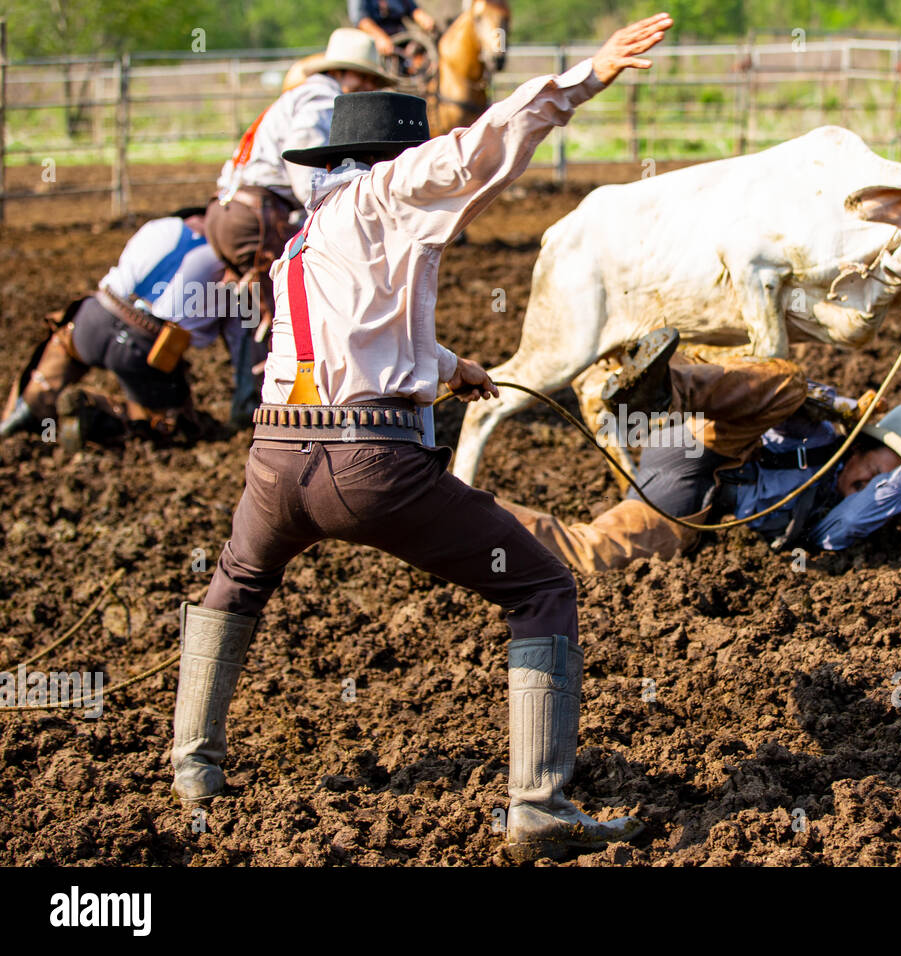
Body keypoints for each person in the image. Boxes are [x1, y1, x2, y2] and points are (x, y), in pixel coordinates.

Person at [168, 13, 676, 864]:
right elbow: (487, 142)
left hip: (276, 460)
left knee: (236, 582)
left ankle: (193, 767)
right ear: (395, 160)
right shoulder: (392, 192)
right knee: (543, 587)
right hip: (370, 463)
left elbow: (339, 337)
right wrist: (588, 74)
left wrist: (447, 364)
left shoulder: (304, 238)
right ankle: (538, 808)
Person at [496, 331, 901, 574]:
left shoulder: (835, 520)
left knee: (591, 554)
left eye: (886, 484)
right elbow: (786, 397)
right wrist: (846, 407)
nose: (872, 486)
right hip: (701, 443)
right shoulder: (819, 438)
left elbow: (856, 519)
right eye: (876, 471)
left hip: (687, 507)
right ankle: (664, 389)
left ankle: (466, 517)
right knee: (788, 383)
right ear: (862, 446)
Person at [207, 28, 397, 423]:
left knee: (256, 305)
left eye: (370, 80)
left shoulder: (298, 94)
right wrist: (325, 208)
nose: (364, 86)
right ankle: (274, 402)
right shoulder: (320, 97)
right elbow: (303, 164)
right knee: (289, 305)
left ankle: (250, 401)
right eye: (361, 77)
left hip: (232, 212)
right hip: (260, 215)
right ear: (343, 73)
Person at [0, 207, 241, 449]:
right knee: (172, 424)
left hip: (91, 317)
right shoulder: (224, 261)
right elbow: (219, 336)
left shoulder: (158, 225)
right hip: (144, 348)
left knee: (61, 345)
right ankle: (96, 412)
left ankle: (28, 406)